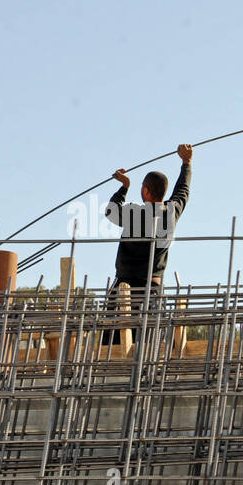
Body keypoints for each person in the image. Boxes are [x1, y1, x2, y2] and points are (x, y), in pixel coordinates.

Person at [101, 144, 192, 343]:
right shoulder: (171, 213)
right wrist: (186, 163)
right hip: (151, 293)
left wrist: (124, 187)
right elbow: (182, 191)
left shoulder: (133, 213)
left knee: (112, 350)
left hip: (123, 293)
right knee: (148, 348)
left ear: (146, 190)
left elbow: (110, 211)